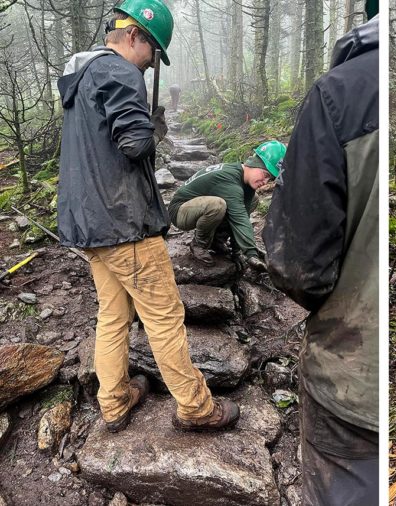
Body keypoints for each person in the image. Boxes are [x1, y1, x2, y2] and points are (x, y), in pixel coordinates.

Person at [56, 0, 239, 433]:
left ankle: (115, 401)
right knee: (164, 316)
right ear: (135, 35)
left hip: (91, 225)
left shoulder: (83, 75)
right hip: (125, 224)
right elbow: (135, 144)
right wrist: (151, 126)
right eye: (153, 53)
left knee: (114, 316)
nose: (153, 65)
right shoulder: (120, 71)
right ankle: (196, 407)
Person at [262, 12, 379, 506]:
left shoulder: (337, 94)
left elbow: (300, 268)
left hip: (347, 379)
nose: (266, 185)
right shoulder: (223, 187)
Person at [168, 141, 286, 267]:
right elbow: (239, 218)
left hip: (198, 207)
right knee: (217, 205)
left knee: (253, 200)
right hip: (180, 210)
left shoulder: (245, 180)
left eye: (270, 179)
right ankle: (199, 244)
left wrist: (236, 251)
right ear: (254, 164)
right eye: (265, 175)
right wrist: (251, 254)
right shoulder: (230, 181)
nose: (265, 182)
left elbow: (243, 216)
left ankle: (217, 241)